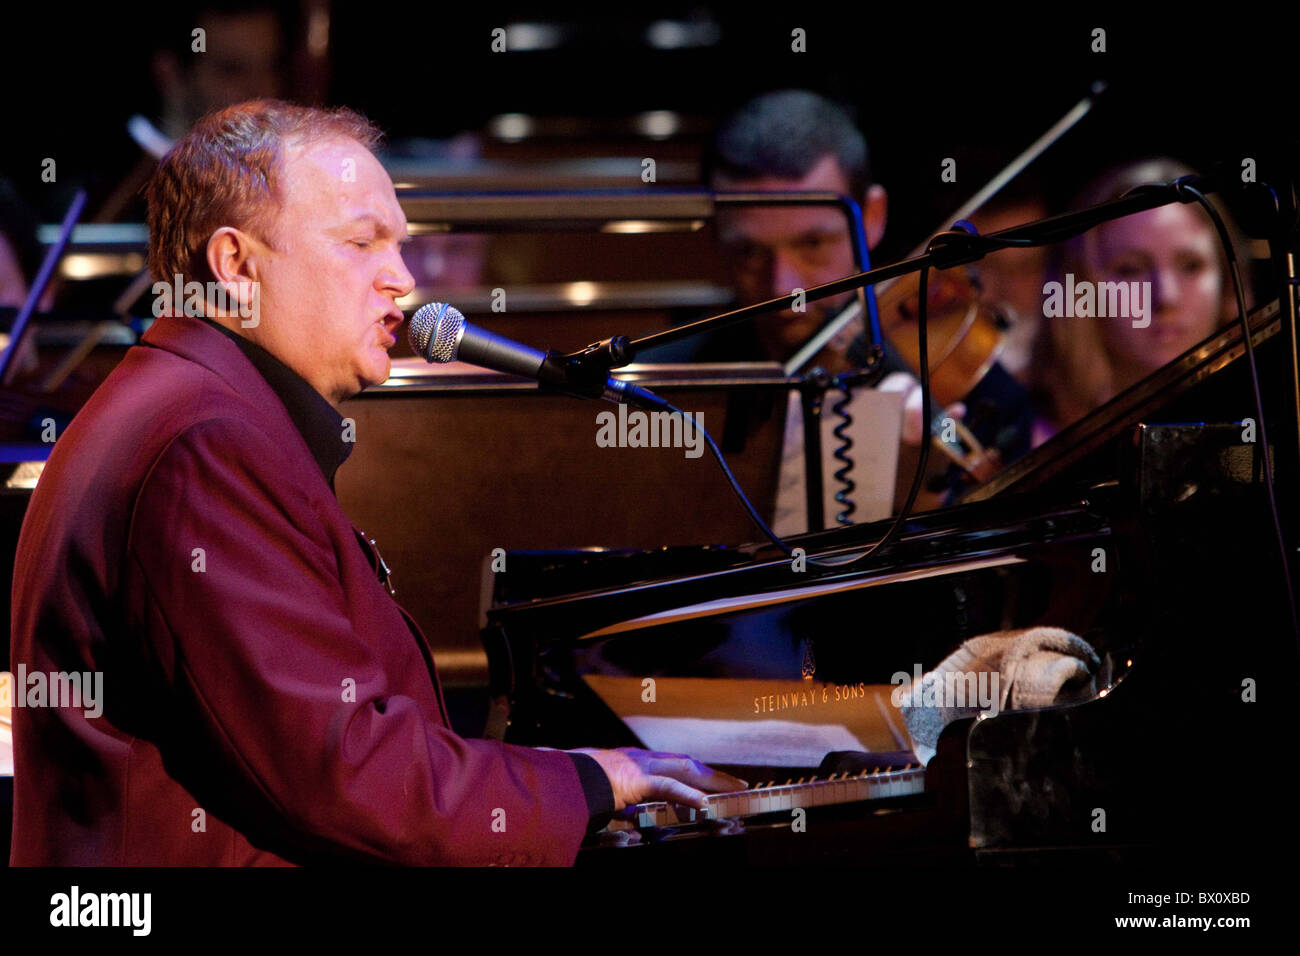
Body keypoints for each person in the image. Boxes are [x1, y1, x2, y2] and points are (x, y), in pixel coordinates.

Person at [8, 100, 742, 866]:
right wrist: (591, 781)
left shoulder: (185, 408)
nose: (401, 280)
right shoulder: (204, 445)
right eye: (362, 244)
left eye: (400, 246)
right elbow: (341, 767)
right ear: (235, 265)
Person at [1029, 158, 1238, 444]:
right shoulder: (1023, 430)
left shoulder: (1264, 415)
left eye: (1191, 266)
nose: (1166, 297)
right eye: (1130, 270)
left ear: (1226, 281)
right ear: (1082, 290)